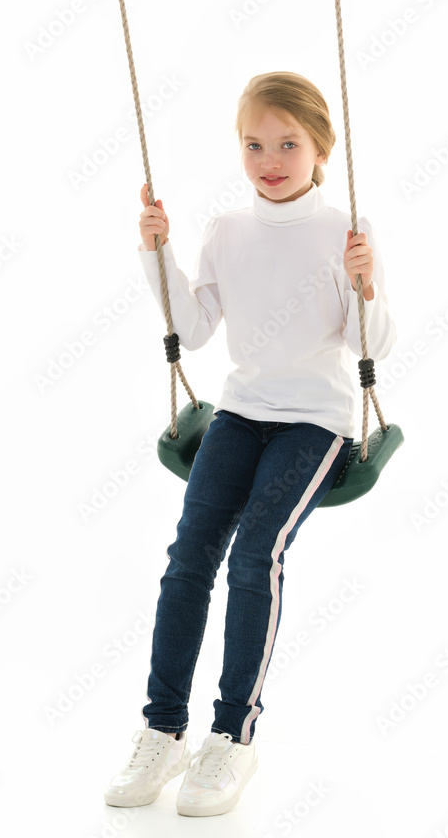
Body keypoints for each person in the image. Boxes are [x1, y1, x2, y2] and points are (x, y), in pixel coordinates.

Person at [104, 71, 397, 817]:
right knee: (188, 553)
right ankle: (162, 729)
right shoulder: (226, 231)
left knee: (254, 551)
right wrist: (155, 254)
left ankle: (230, 738)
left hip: (316, 420)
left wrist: (367, 288)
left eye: (287, 143)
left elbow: (373, 344)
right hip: (240, 409)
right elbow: (196, 329)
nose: (270, 158)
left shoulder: (345, 229)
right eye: (254, 144)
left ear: (319, 147)